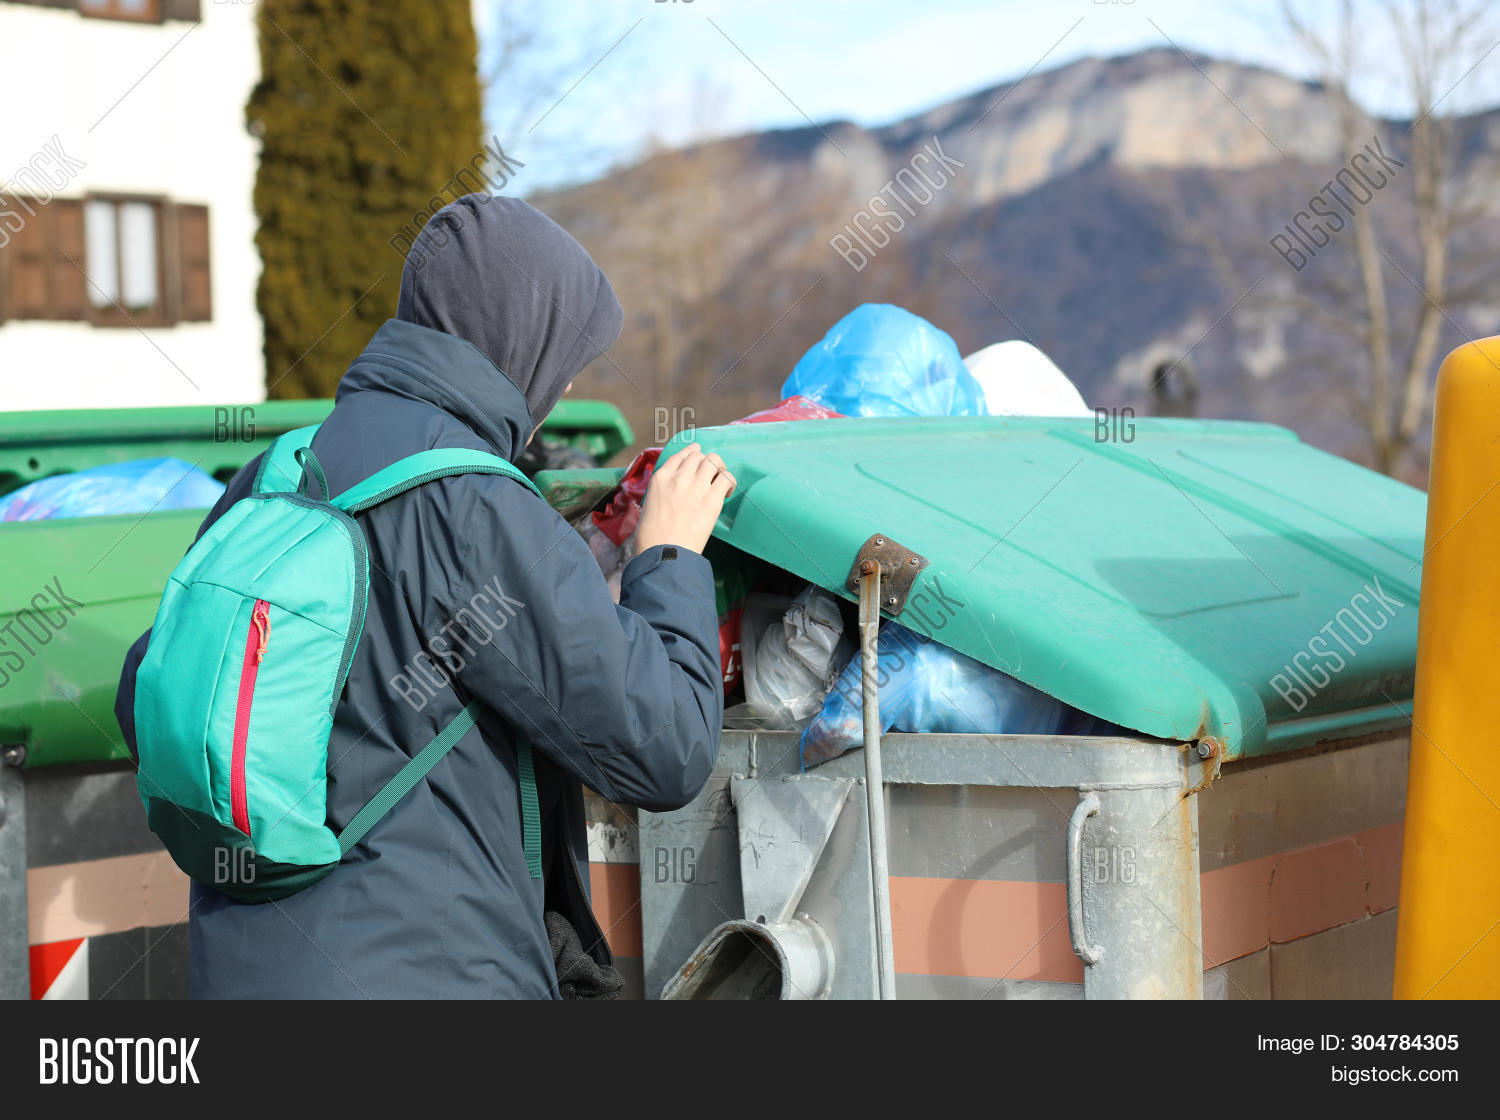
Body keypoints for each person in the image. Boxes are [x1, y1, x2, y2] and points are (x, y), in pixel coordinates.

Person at [114, 194, 734, 998]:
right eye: (568, 353)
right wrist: (672, 554)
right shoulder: (474, 504)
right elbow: (666, 744)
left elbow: (151, 687)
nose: (567, 379)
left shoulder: (277, 472)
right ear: (522, 337)